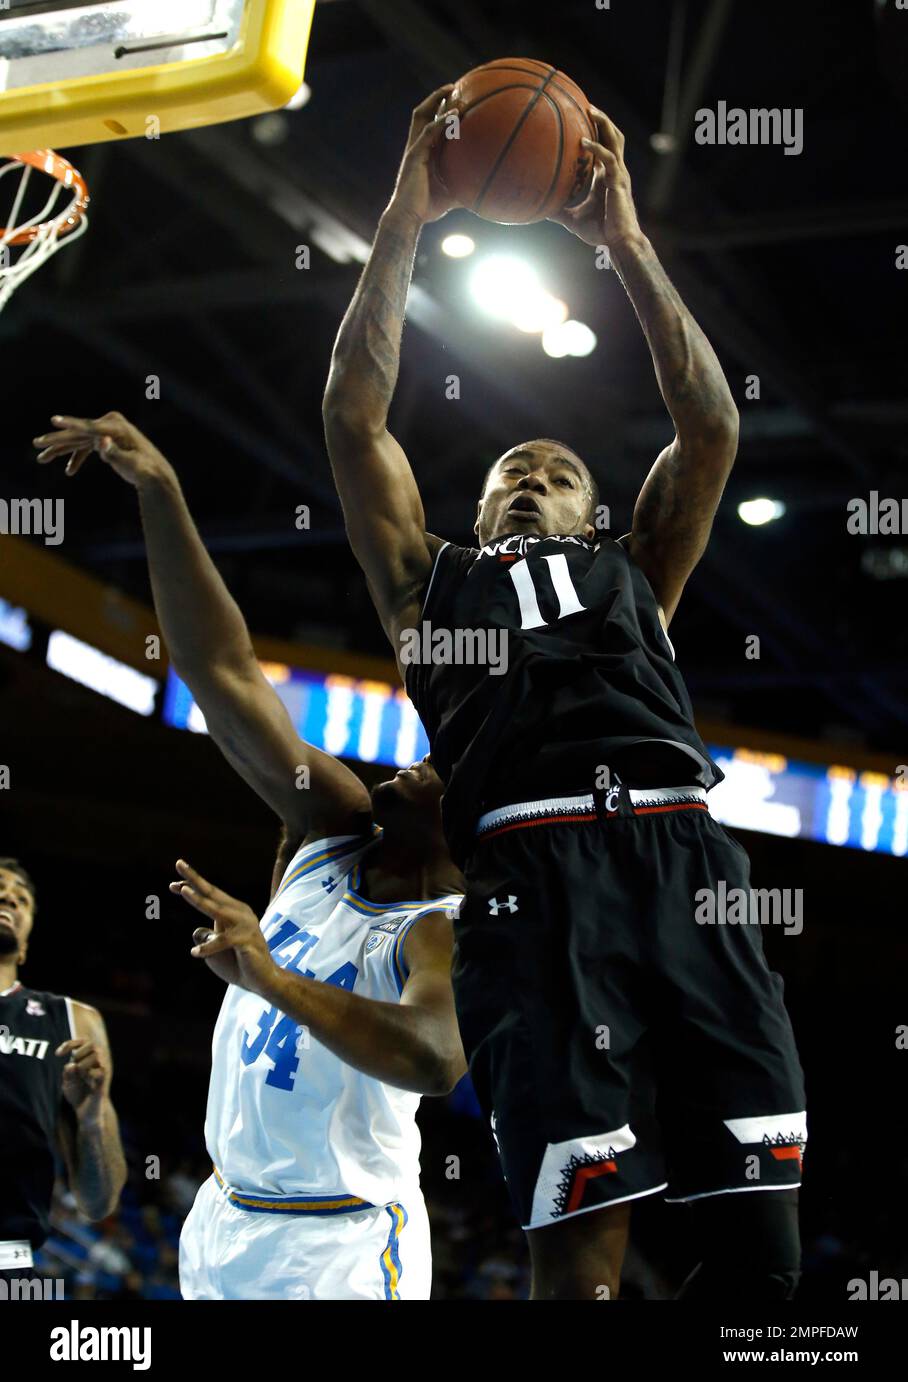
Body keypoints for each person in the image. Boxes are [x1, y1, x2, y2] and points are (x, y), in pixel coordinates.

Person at [321, 89, 806, 1300]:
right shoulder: (425, 584)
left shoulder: (634, 567)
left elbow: (706, 428)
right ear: (482, 511)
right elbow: (350, 413)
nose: (532, 477)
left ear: (594, 511)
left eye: (556, 471)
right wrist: (404, 215)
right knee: (578, 1251)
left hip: (680, 858)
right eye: (510, 471)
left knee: (761, 1250)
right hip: (531, 883)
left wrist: (626, 246)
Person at [34, 413, 466, 1301]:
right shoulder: (333, 826)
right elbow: (222, 670)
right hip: (224, 1220)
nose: (416, 752)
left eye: (441, 759)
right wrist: (162, 493)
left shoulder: (443, 928)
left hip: (342, 1245)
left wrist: (270, 977)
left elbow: (436, 1059)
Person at [0, 857, 126, 1280]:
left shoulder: (73, 1021)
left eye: (22, 900)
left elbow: (98, 1203)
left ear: (27, 941)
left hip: (9, 1267)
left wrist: (93, 1117)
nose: (8, 899)